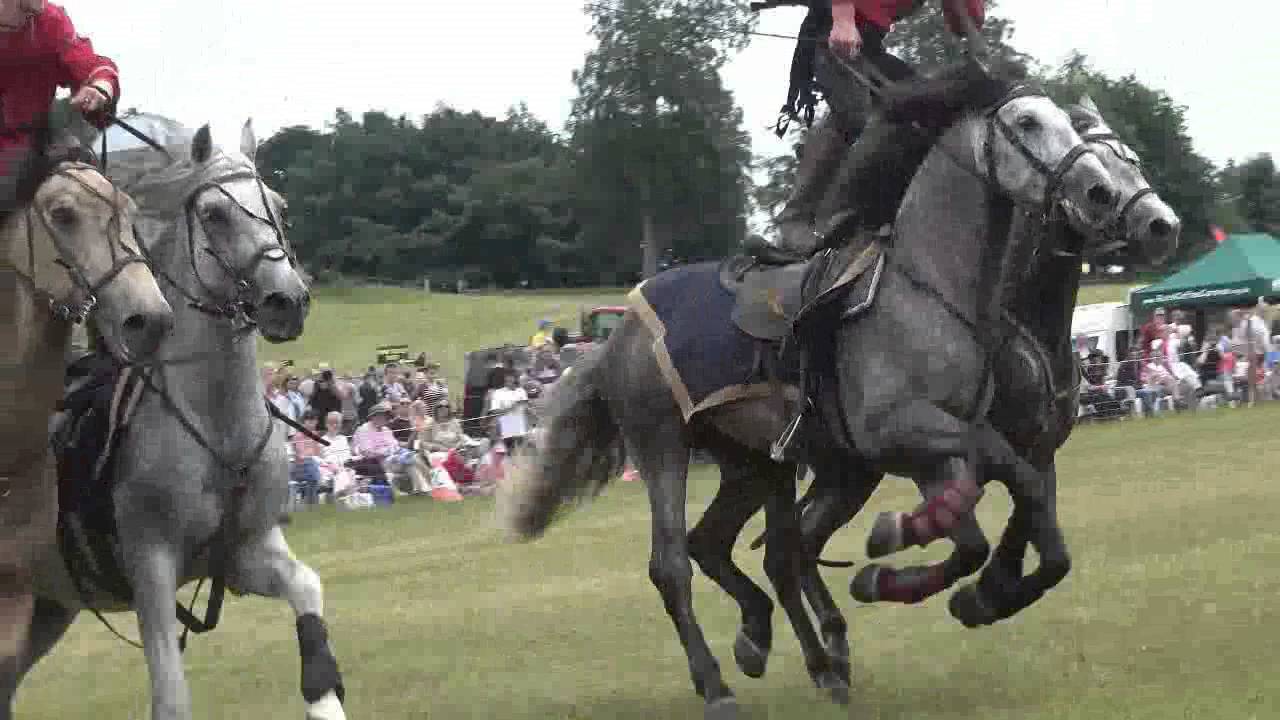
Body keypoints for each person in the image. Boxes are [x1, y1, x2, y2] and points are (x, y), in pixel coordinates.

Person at [762, 0, 987, 260]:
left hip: (869, 43)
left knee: (923, 110)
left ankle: (883, 216)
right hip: (833, 28)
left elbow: (963, 24)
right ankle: (795, 220)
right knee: (854, 115)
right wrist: (843, 19)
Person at [1, 1, 119, 189]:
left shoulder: (49, 21)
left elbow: (88, 63)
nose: (37, 6)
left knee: (87, 185)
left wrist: (100, 88)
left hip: (37, 136)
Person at [487, 368, 530, 453]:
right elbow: (495, 412)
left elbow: (525, 408)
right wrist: (511, 407)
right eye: (508, 378)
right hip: (506, 426)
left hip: (520, 426)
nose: (510, 380)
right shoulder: (498, 393)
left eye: (512, 378)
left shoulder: (521, 391)